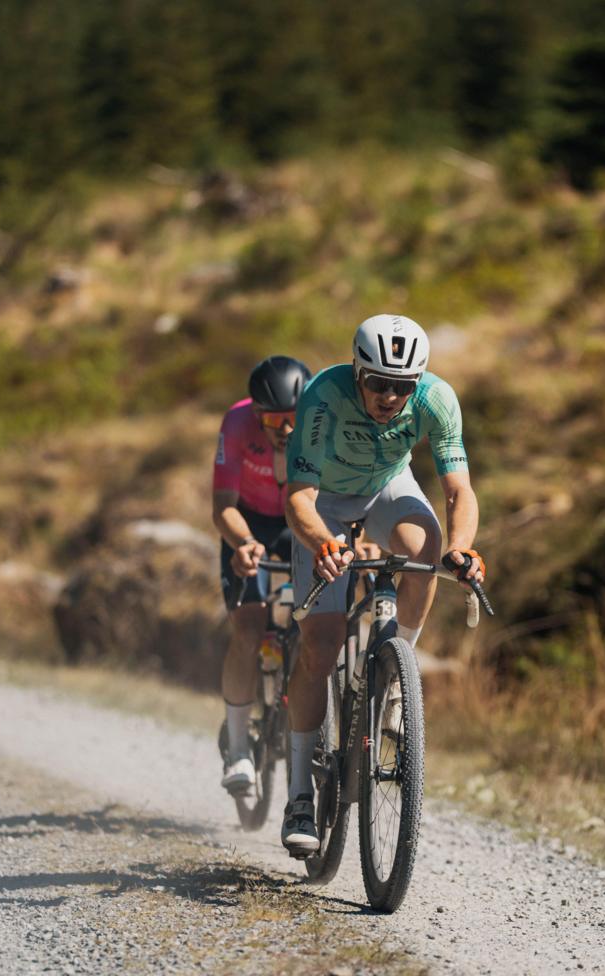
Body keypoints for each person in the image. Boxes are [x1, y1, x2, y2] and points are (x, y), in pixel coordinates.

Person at [281, 314, 486, 854]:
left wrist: (461, 548)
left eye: (403, 386)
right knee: (320, 647)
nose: (390, 397)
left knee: (426, 548)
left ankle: (397, 674)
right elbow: (297, 497)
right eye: (377, 383)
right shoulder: (323, 396)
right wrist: (324, 541)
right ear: (356, 371)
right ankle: (300, 792)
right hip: (324, 499)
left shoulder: (437, 400)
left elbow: (459, 490)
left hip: (387, 486)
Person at [212, 355, 311, 794]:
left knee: (315, 624)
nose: (287, 429)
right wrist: (243, 544)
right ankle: (237, 748)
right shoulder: (236, 424)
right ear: (256, 413)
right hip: (248, 522)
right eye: (274, 419)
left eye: (294, 418)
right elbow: (223, 506)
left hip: (301, 522)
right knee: (248, 631)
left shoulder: (321, 423)